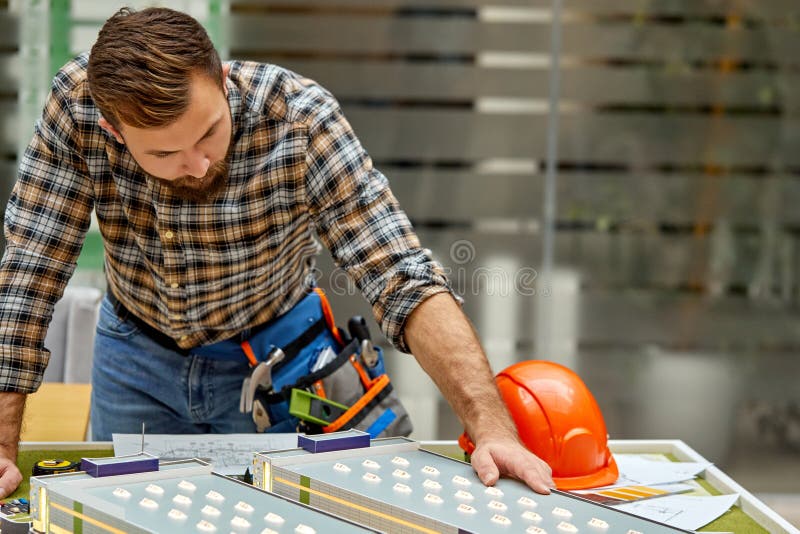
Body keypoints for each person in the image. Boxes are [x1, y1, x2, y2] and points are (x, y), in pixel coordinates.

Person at [0, 7, 554, 497]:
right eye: (165, 152)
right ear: (114, 131)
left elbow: (399, 272)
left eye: (209, 132)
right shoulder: (75, 110)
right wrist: (2, 448)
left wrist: (492, 430)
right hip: (135, 357)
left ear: (220, 77)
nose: (196, 163)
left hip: (277, 361)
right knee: (127, 514)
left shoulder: (300, 118)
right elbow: (28, 275)